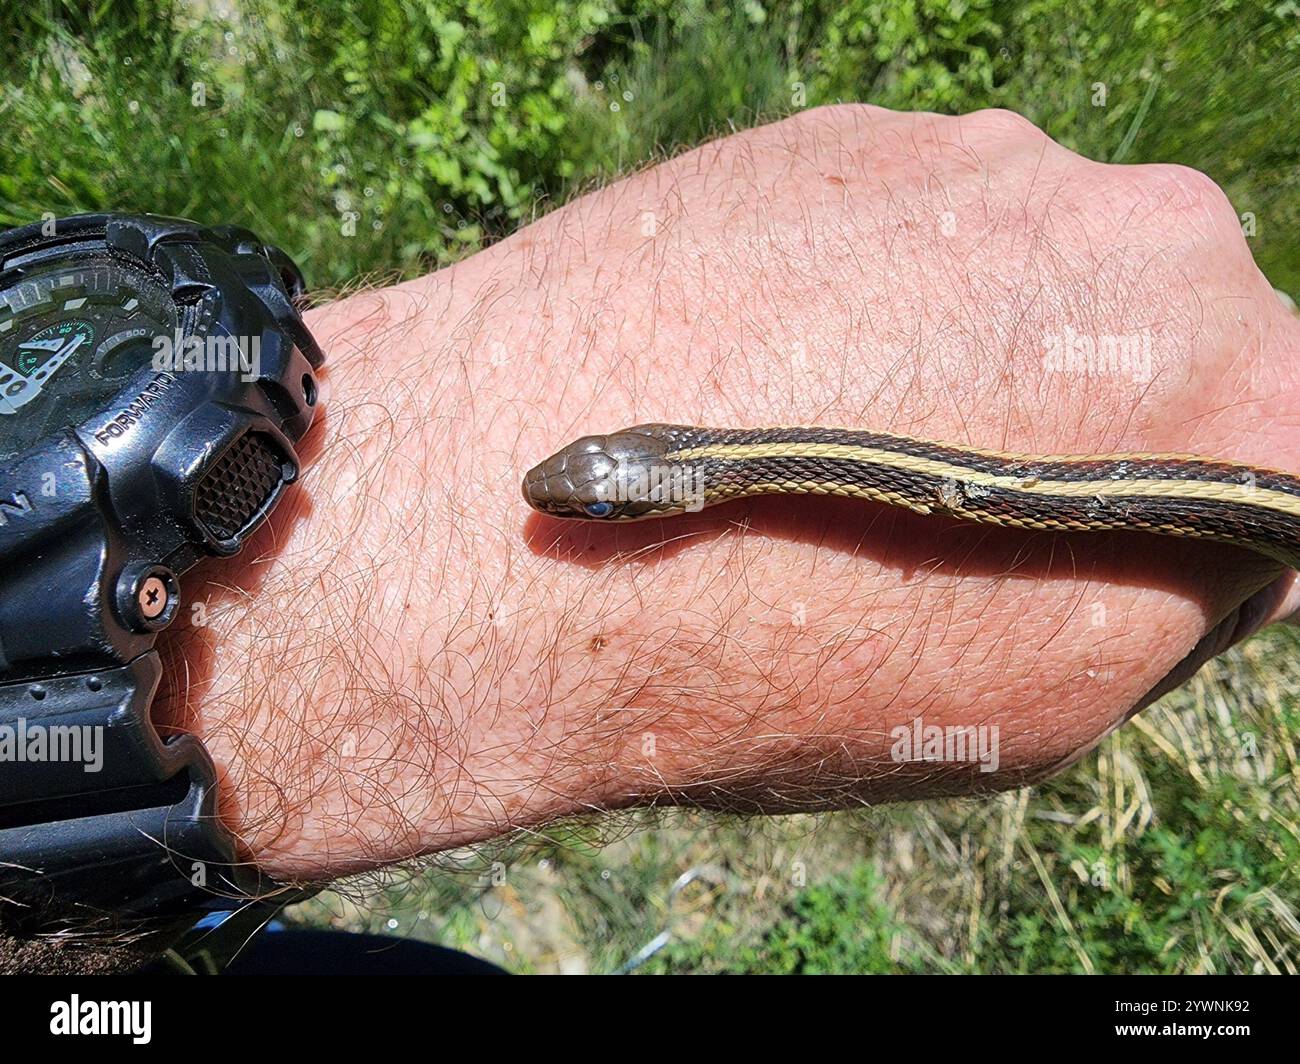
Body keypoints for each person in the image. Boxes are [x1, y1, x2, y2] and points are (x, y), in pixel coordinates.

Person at [40, 105, 1300, 970]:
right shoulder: (716, 463)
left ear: (671, 475)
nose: (565, 503)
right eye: (591, 495)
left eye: (590, 503)